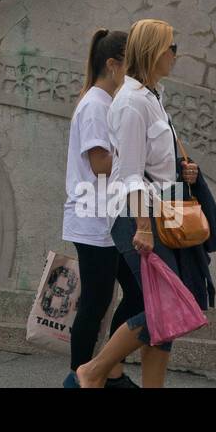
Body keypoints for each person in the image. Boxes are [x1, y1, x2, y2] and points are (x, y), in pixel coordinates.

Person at [73, 18, 201, 389]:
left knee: (167, 312)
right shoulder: (131, 103)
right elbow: (128, 173)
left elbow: (152, 163)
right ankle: (93, 370)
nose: (176, 55)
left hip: (164, 210)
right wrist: (143, 227)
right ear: (152, 52)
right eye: (170, 47)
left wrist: (183, 171)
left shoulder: (152, 96)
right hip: (139, 216)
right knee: (169, 306)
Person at [61, 29, 141, 388]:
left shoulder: (106, 101)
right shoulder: (95, 105)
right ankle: (82, 374)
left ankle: (108, 367)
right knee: (95, 301)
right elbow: (100, 163)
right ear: (113, 64)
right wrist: (139, 155)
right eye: (130, 62)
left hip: (108, 217)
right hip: (92, 218)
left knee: (135, 294)